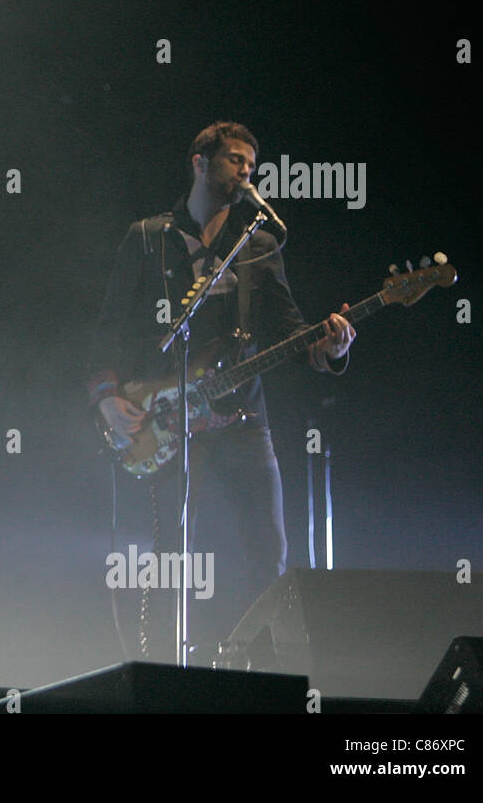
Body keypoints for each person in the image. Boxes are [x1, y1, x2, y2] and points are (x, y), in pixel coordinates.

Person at [87, 121, 354, 662]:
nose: (245, 173)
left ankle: (265, 674)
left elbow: (289, 328)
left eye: (251, 167)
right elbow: (110, 326)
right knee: (170, 552)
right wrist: (106, 397)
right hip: (166, 415)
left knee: (268, 552)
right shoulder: (147, 237)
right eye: (234, 160)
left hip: (241, 418)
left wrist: (331, 348)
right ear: (200, 163)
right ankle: (161, 666)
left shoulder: (258, 244)